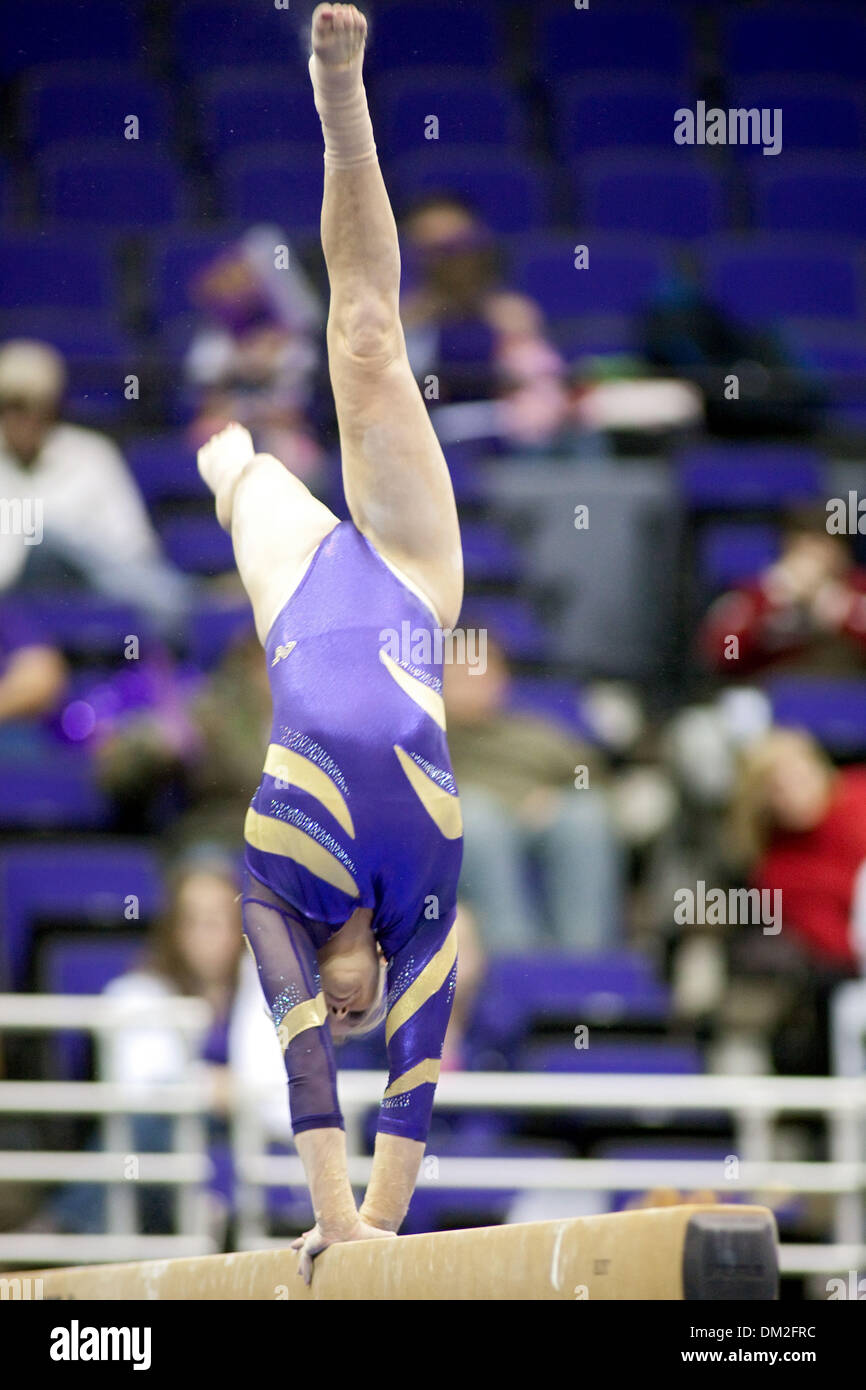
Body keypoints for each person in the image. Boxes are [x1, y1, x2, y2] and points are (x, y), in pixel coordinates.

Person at [196, 4, 464, 1284]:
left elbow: (307, 1062)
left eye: (340, 1003)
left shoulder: (269, 885)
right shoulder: (424, 906)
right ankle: (344, 90)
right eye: (365, 1010)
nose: (350, 1015)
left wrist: (333, 1215)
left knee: (235, 464)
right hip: (412, 586)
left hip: (296, 592)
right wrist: (379, 1229)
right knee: (363, 341)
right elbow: (406, 1086)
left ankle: (232, 462)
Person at [38, 847, 288, 1236]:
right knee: (148, 1133)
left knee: (145, 1138)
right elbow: (144, 1092)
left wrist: (220, 1090)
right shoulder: (138, 990)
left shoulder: (268, 986)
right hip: (169, 1145)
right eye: (194, 921)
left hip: (254, 1139)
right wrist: (212, 1086)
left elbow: (280, 1095)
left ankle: (59, 1228)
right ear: (174, 929)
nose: (207, 934)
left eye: (217, 920)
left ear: (239, 926)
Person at [443, 634, 624, 953]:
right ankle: (515, 956)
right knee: (477, 816)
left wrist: (559, 797)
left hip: (541, 820)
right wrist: (510, 806)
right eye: (459, 672)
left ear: (501, 679)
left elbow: (591, 779)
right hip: (472, 824)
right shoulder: (423, 738)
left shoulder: (535, 734)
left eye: (480, 671)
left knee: (587, 814)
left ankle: (586, 958)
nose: (471, 682)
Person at [0, 339, 190, 634]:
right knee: (46, 537)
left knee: (60, 538)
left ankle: (181, 607)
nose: (22, 418)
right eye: (11, 405)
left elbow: (134, 543)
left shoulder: (90, 453)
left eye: (33, 404)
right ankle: (188, 602)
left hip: (94, 589)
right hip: (15, 602)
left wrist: (82, 551)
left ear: (52, 407)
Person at [728, 728, 865, 1072]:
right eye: (777, 786)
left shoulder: (860, 796)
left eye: (800, 775)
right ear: (763, 800)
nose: (793, 791)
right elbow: (835, 945)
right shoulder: (777, 873)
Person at [700, 507, 866, 681]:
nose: (815, 558)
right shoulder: (755, 595)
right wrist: (768, 605)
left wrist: (842, 611)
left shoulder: (858, 592)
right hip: (773, 696)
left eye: (825, 544)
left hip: (853, 695)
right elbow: (724, 655)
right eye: (804, 547)